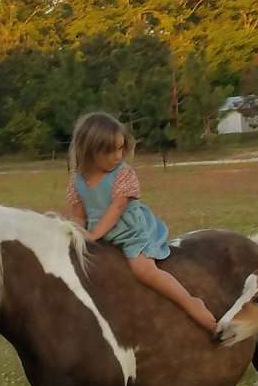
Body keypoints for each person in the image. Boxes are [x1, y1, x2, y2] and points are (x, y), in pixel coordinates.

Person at [66, 112, 217, 333]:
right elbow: (78, 215)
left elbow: (117, 208)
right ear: (89, 151)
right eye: (110, 151)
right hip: (98, 233)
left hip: (129, 231)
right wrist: (79, 234)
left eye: (121, 148)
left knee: (143, 269)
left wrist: (95, 234)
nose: (118, 156)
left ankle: (191, 303)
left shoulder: (122, 173)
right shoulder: (77, 180)